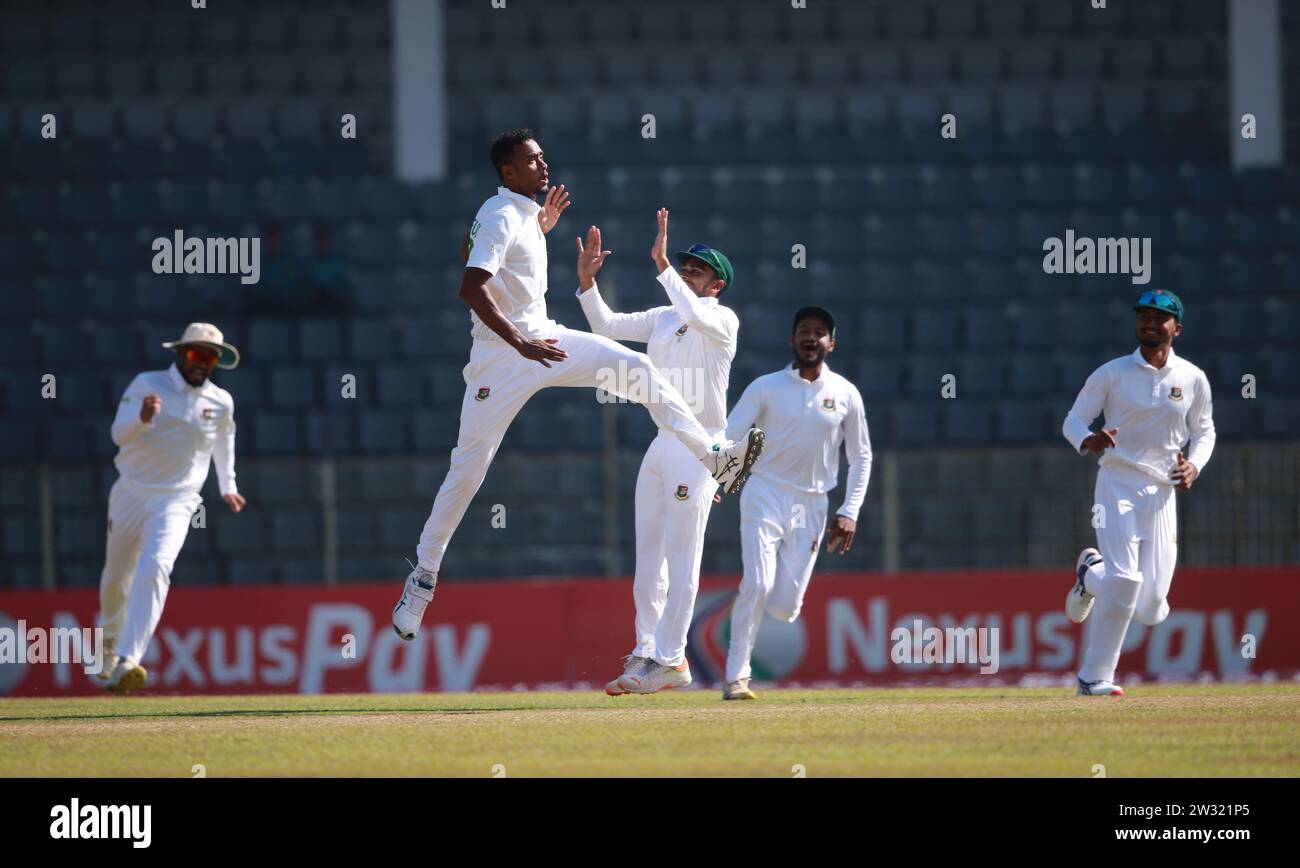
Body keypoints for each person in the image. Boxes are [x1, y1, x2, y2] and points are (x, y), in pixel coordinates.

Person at [391, 130, 765, 642]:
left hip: (545, 341)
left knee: (639, 370)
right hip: (502, 358)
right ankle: (424, 578)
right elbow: (470, 286)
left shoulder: (517, 214)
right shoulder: (502, 214)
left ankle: (713, 455)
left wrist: (538, 228)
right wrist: (520, 343)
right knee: (468, 469)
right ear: (508, 172)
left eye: (543, 156)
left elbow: (467, 249)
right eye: (532, 160)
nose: (544, 165)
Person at [577, 209, 738, 695]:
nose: (688, 272)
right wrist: (587, 285)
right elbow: (606, 326)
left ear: (716, 285)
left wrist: (664, 265)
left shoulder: (720, 318)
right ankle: (648, 650)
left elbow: (690, 310)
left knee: (682, 556)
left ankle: (672, 659)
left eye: (697, 270)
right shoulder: (666, 317)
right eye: (685, 266)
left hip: (701, 444)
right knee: (649, 558)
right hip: (662, 440)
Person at [1062, 289, 1215, 696]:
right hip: (1118, 481)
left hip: (1162, 492)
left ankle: (1090, 575)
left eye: (1159, 318)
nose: (1149, 323)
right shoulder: (1111, 373)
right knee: (1127, 579)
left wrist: (1194, 464)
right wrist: (1088, 440)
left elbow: (1204, 431)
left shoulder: (1192, 378)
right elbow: (1073, 420)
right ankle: (1094, 678)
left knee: (1150, 609)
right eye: (1143, 316)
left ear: (1176, 328)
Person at [721, 306, 872, 700]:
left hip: (813, 503)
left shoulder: (845, 394)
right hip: (765, 492)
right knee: (756, 581)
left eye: (819, 332)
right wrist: (717, 477)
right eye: (804, 330)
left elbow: (861, 457)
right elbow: (731, 435)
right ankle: (737, 677)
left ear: (831, 344)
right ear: (792, 339)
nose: (811, 337)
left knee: (785, 608)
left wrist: (849, 511)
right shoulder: (765, 387)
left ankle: (757, 607)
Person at [98, 323, 246, 693]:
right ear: (181, 353)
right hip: (131, 491)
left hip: (178, 499)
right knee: (117, 578)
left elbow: (224, 441)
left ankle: (128, 659)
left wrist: (228, 485)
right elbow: (118, 434)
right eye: (196, 354)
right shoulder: (147, 384)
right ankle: (106, 646)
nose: (202, 363)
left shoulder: (220, 401)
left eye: (209, 357)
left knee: (156, 566)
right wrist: (142, 420)